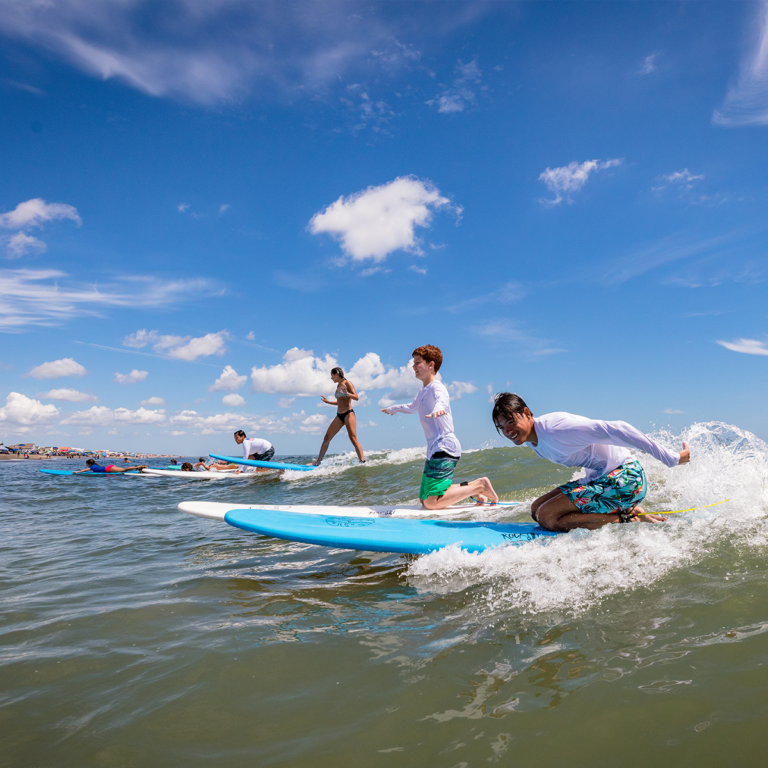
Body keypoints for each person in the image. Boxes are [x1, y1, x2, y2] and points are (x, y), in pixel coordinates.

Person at [491, 393, 691, 531]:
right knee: (537, 510)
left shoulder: (556, 428)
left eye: (511, 421)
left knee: (548, 517)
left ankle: (627, 517)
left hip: (626, 479)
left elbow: (618, 428)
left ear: (527, 413)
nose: (507, 431)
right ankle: (626, 509)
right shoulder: (532, 439)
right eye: (501, 427)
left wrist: (671, 458)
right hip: (603, 478)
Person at [381, 345, 498, 510]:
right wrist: (394, 408)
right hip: (434, 448)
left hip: (445, 445)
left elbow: (441, 399)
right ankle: (477, 485)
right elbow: (412, 407)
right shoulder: (423, 391)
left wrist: (438, 408)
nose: (413, 366)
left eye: (417, 363)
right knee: (424, 498)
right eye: (414, 363)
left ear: (431, 365)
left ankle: (479, 487)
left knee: (431, 502)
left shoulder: (437, 387)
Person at [315, 367, 365, 465]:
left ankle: (362, 461)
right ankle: (318, 461)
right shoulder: (338, 385)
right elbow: (339, 402)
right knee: (326, 438)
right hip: (339, 415)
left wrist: (347, 393)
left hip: (348, 414)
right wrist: (328, 402)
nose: (331, 378)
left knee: (353, 439)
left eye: (332, 375)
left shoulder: (348, 383)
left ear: (337, 375)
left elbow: (356, 397)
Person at [74, 458, 147, 474]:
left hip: (109, 469)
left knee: (124, 470)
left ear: (89, 464)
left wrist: (77, 472)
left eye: (87, 464)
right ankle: (138, 468)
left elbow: (84, 470)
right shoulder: (95, 465)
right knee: (123, 469)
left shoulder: (92, 467)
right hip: (110, 467)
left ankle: (139, 467)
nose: (86, 465)